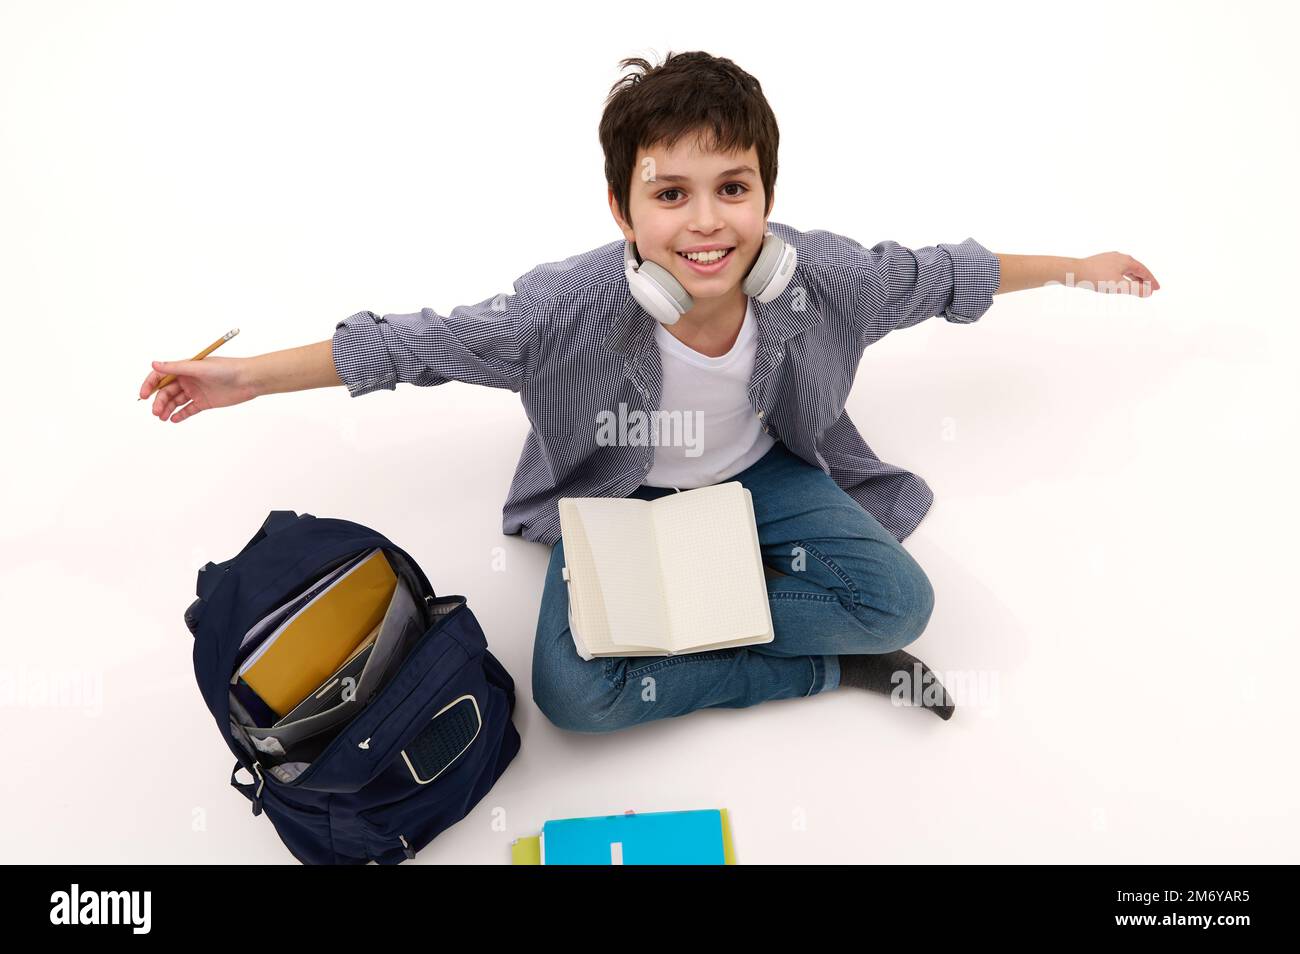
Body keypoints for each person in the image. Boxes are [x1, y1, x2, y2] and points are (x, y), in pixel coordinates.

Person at [138, 51, 1159, 732]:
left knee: (898, 602)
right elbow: (417, 345)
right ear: (622, 206)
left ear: (766, 192)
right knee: (572, 697)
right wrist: (244, 377)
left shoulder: (822, 276)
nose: (706, 224)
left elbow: (941, 275)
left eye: (733, 188)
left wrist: (1080, 265)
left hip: (766, 477)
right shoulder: (565, 311)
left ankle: (724, 606)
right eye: (670, 193)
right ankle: (817, 669)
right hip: (624, 503)